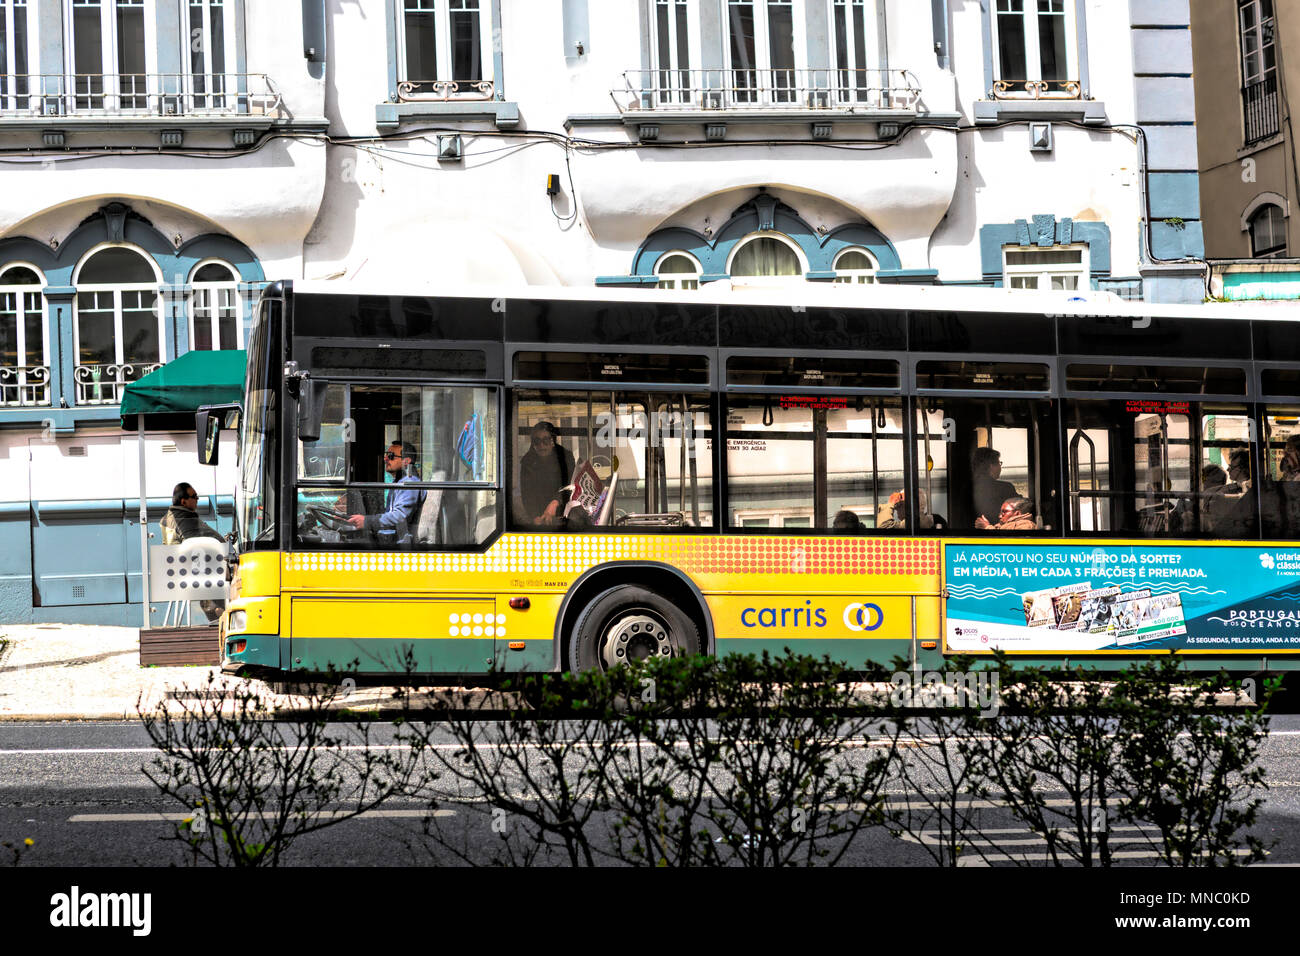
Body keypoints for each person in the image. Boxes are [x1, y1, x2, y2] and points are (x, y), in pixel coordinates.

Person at [160, 482, 225, 622]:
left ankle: (215, 610)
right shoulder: (184, 519)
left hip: (178, 570)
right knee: (229, 570)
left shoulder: (171, 516)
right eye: (194, 496)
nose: (197, 499)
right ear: (183, 501)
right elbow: (194, 545)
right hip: (191, 570)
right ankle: (217, 614)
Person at [347, 441, 424, 537]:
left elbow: (400, 517)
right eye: (386, 455)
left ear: (406, 461)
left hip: (402, 545)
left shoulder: (410, 483)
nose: (385, 459)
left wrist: (367, 521)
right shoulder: (399, 482)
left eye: (391, 456)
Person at [518, 421, 575, 527]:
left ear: (553, 441)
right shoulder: (528, 462)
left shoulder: (565, 457)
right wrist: (535, 517)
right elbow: (527, 494)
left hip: (564, 511)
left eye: (546, 440)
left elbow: (570, 486)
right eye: (537, 441)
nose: (541, 445)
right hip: (538, 515)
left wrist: (555, 503)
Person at [972, 447, 1019, 528]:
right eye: (999, 463)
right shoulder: (1005, 488)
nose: (1000, 468)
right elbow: (1022, 505)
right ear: (991, 466)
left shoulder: (965, 489)